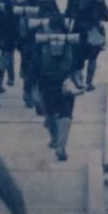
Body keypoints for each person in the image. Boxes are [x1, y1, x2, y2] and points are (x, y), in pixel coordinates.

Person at [29, 16, 83, 161]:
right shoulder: (70, 41)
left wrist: (31, 86)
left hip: (46, 83)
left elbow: (34, 66)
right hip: (66, 83)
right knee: (66, 114)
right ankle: (61, 146)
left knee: (50, 113)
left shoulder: (42, 43)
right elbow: (78, 62)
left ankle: (55, 139)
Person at [65, 0, 108, 92]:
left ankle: (79, 81)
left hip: (77, 29)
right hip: (93, 30)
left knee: (77, 56)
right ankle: (89, 82)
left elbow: (68, 14)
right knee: (93, 57)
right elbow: (106, 17)